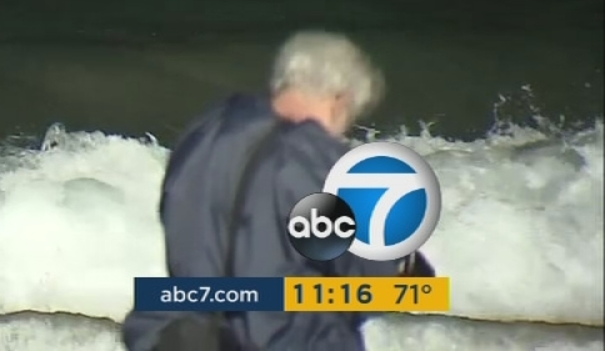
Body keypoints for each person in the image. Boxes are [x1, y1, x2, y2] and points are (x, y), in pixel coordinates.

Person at [121, 31, 436, 351]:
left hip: (179, 335)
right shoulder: (315, 160)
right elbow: (362, 280)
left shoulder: (205, 131)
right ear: (339, 100)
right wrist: (403, 266)